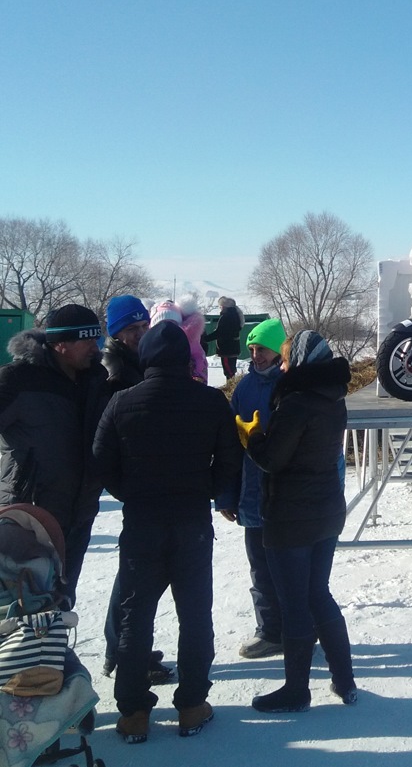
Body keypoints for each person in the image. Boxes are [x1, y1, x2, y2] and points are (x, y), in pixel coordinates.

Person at [93, 321, 242, 744]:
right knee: (195, 617)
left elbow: (101, 462)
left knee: (134, 619)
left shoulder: (122, 402)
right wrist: (205, 490)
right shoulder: (211, 401)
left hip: (142, 525)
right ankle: (192, 705)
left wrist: (132, 493)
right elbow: (230, 461)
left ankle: (134, 712)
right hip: (192, 524)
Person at [242, 329, 356, 713]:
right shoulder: (333, 397)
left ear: (303, 361)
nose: (283, 366)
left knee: (294, 605)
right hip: (325, 512)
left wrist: (253, 437)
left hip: (291, 517)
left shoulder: (296, 403)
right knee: (318, 594)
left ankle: (296, 689)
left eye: (287, 360)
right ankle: (345, 680)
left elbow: (274, 459)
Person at [0, 304, 108, 602]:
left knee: (62, 599)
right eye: (86, 341)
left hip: (79, 512)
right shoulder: (18, 379)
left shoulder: (96, 378)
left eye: (96, 339)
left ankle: (56, 649)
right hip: (29, 516)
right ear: (60, 345)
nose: (94, 347)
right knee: (23, 605)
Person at [101, 295, 175, 685]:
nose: (140, 334)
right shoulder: (116, 371)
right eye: (132, 330)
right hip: (140, 483)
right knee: (135, 578)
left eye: (143, 327)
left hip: (144, 483)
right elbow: (109, 438)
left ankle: (126, 646)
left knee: (139, 576)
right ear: (117, 333)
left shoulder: (134, 361)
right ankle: (123, 649)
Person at [216, 317, 288, 660]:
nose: (256, 355)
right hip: (251, 494)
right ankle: (269, 631)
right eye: (253, 349)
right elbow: (229, 447)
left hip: (286, 494)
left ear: (278, 350)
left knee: (290, 567)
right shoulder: (244, 388)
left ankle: (298, 626)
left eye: (262, 349)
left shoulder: (290, 386)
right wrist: (227, 496)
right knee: (260, 569)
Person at [202, 296, 244, 380]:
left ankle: (231, 388)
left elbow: (219, 332)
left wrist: (205, 339)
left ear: (224, 307)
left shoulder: (226, 317)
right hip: (233, 348)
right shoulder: (235, 315)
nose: (220, 309)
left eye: (220, 306)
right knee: (231, 369)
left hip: (227, 349)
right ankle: (232, 386)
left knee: (228, 371)